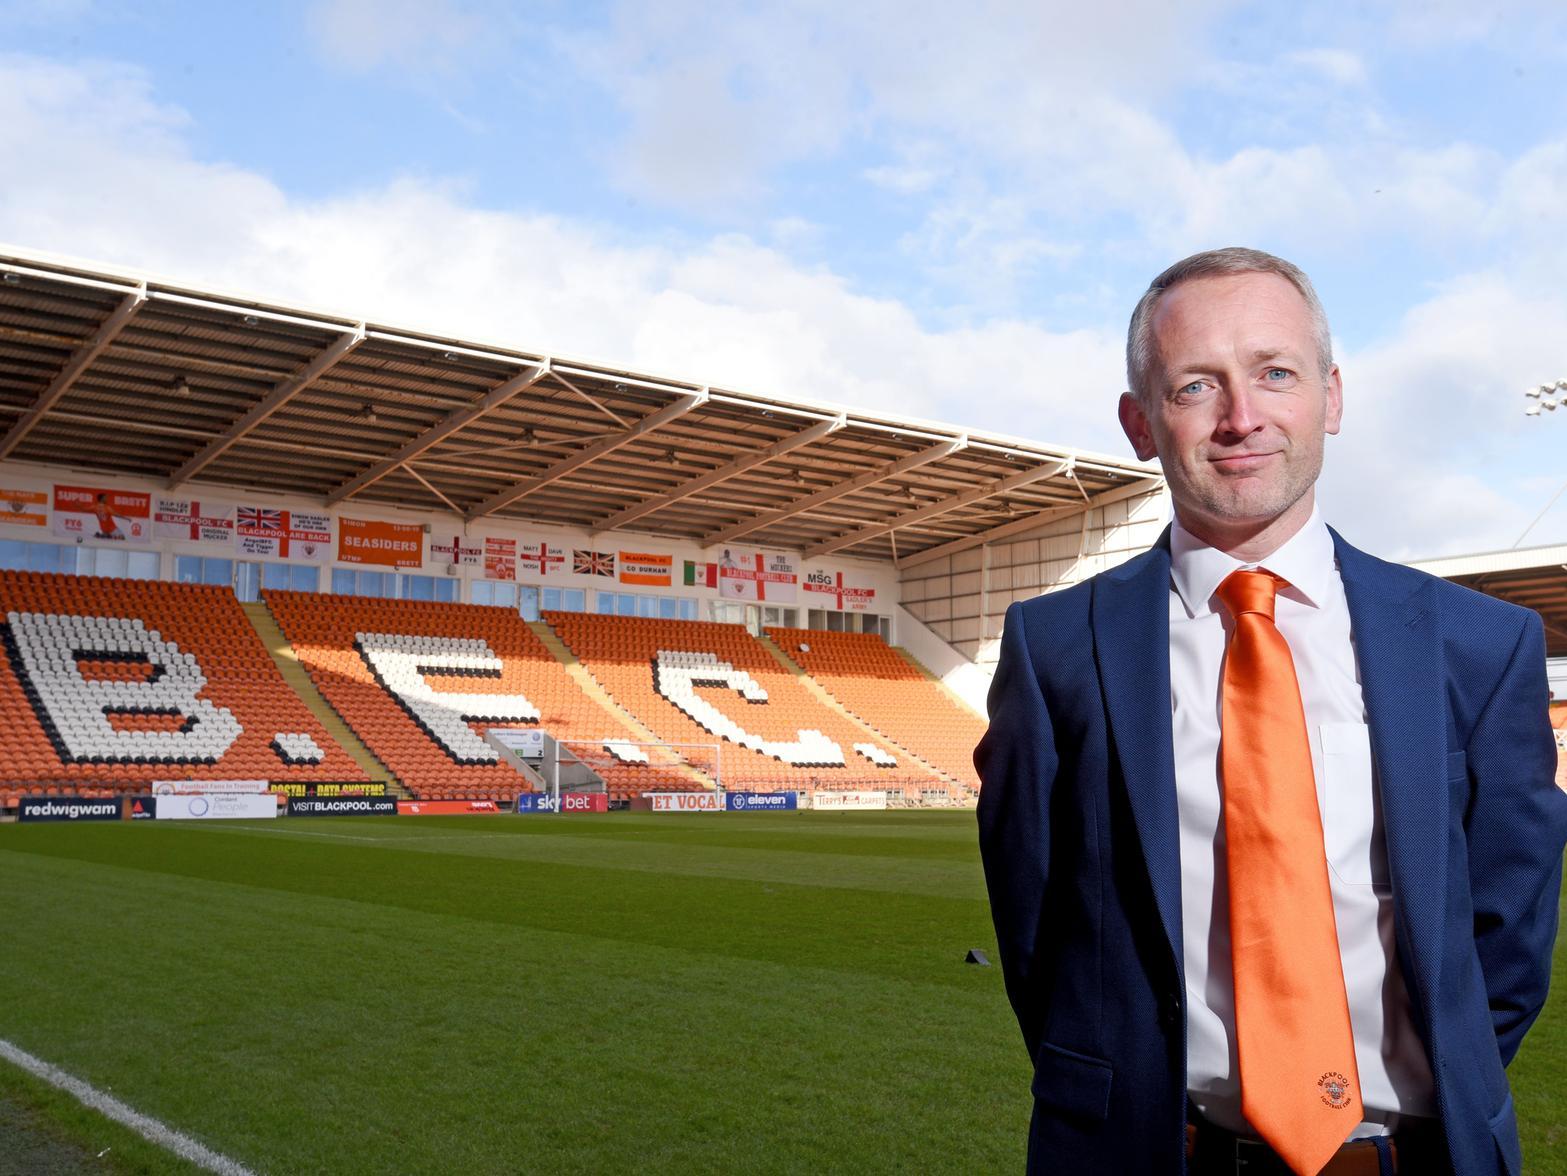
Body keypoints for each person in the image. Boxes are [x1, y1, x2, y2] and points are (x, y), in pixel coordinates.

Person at [975, 247, 1567, 1175]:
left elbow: (1506, 947)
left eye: (1274, 373)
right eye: (1193, 386)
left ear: (1330, 398)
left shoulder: (1480, 647)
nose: (1241, 418)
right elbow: (1036, 936)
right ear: (1139, 422)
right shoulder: (1054, 650)